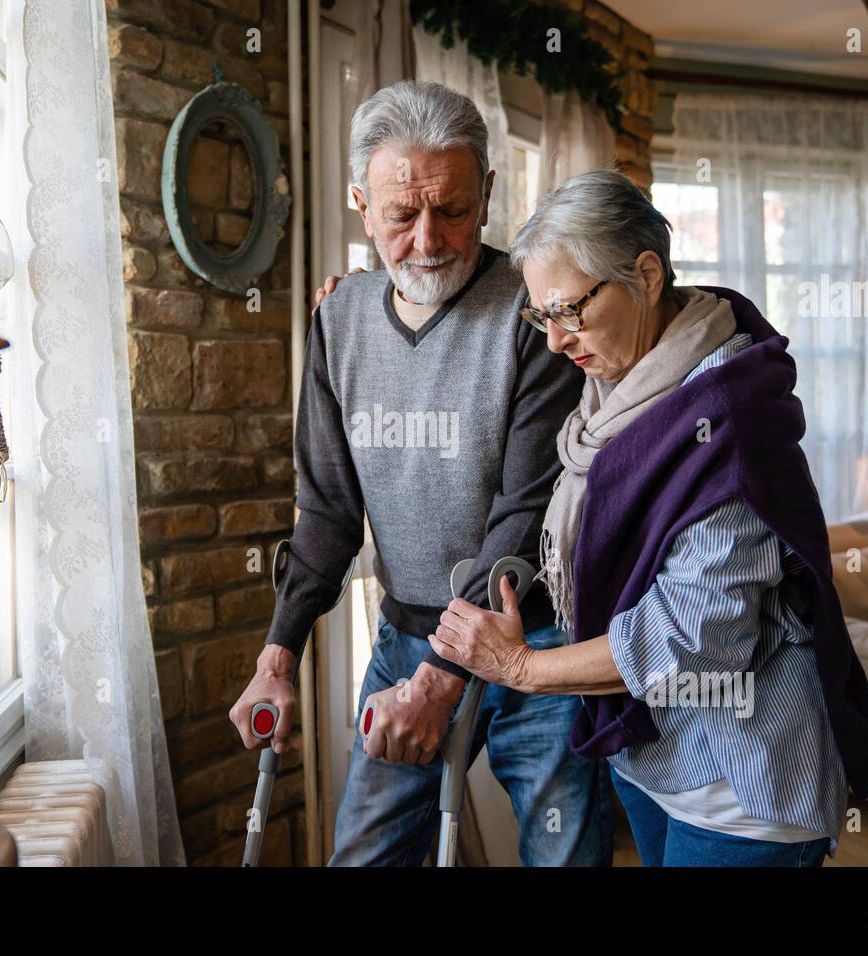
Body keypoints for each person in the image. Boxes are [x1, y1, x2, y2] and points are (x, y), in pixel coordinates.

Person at [427, 169, 868, 867]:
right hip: (654, 759)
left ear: (645, 274)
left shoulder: (726, 418)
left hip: (743, 784)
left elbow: (696, 635)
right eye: (541, 316)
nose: (555, 341)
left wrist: (523, 666)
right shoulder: (619, 388)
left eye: (570, 310)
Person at [229, 81, 613, 866]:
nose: (429, 239)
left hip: (539, 639)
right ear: (361, 204)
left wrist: (447, 679)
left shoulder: (535, 311)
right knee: (364, 856)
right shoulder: (338, 321)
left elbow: (523, 512)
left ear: (489, 195)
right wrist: (279, 655)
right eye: (402, 216)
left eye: (455, 210)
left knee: (566, 856)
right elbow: (329, 510)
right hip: (408, 636)